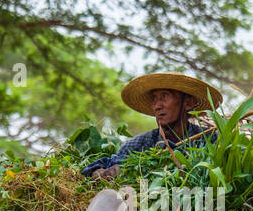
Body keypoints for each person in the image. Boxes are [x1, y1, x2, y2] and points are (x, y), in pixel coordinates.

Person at [82, 72, 222, 179]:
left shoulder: (208, 140)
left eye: (164, 96)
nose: (157, 105)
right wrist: (100, 172)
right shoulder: (139, 144)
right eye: (154, 99)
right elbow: (106, 164)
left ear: (188, 103)